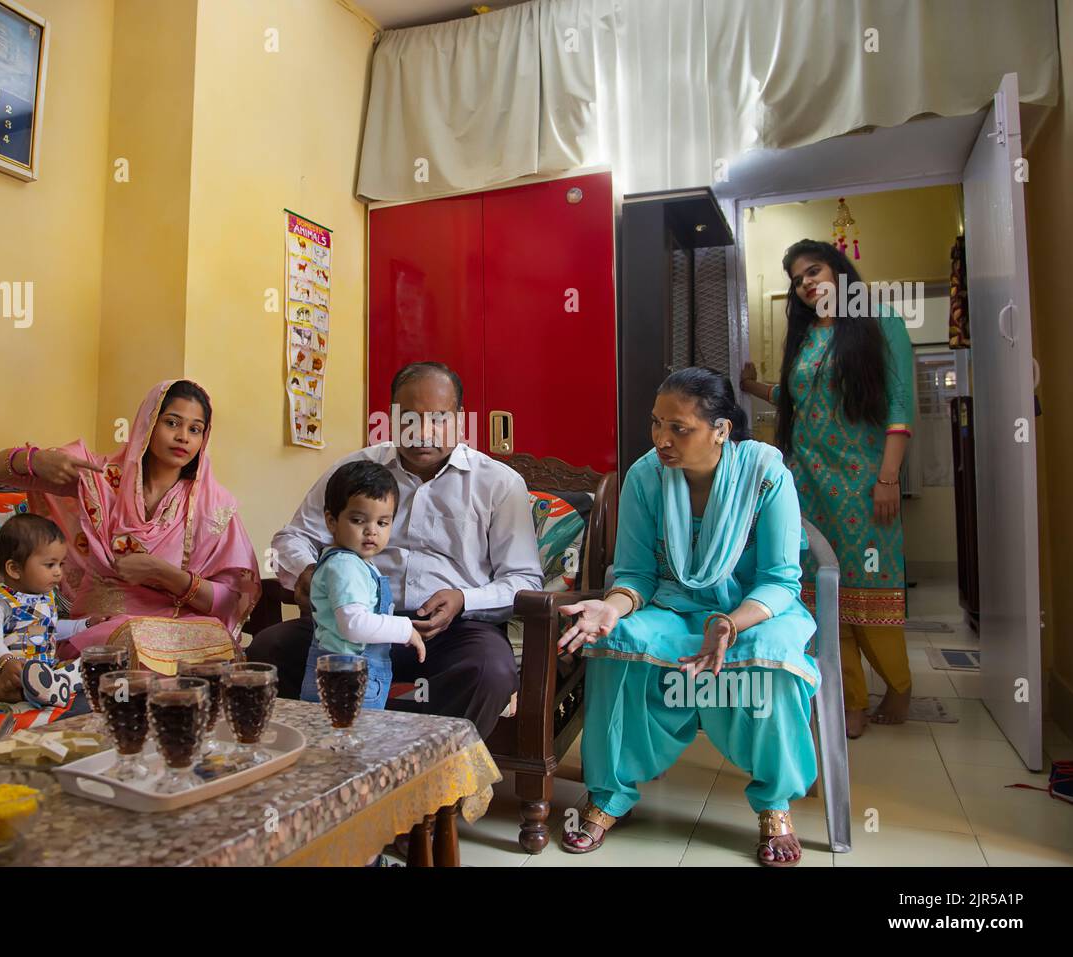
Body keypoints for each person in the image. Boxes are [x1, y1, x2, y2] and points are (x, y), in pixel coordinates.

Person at [558, 368, 818, 866]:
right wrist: (609, 608)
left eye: (680, 428)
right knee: (620, 643)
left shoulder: (765, 474)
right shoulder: (645, 476)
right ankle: (609, 795)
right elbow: (636, 575)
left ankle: (774, 803)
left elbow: (781, 580)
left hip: (754, 610)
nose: (662, 439)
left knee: (771, 660)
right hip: (673, 607)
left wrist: (731, 623)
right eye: (657, 424)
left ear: (721, 429)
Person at [251, 361, 543, 739]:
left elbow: (523, 579)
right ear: (390, 416)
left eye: (439, 419)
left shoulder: (497, 483)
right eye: (409, 418)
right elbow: (291, 538)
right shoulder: (356, 469)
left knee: (490, 669)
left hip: (451, 631)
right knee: (268, 648)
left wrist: (463, 599)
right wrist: (309, 571)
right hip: (353, 623)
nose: (424, 432)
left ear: (459, 419)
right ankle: (318, 764)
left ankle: (435, 783)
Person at [742, 239, 914, 739]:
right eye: (797, 279)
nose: (806, 283)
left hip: (865, 482)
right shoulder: (805, 338)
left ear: (839, 270)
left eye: (813, 271)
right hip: (809, 485)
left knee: (871, 585)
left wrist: (888, 478)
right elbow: (798, 399)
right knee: (824, 591)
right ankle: (849, 701)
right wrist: (753, 388)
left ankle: (898, 684)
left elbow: (900, 407)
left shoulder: (881, 324)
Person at [0, 379, 260, 663]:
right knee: (132, 639)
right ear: (147, 423)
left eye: (195, 429)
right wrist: (34, 460)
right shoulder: (99, 478)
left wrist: (165, 574)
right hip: (104, 626)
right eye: (172, 423)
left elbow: (230, 599)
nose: (183, 437)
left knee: (217, 643)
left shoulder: (213, 506)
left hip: (178, 625)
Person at [299, 460, 427, 710]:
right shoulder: (346, 566)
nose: (371, 531)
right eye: (358, 521)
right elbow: (354, 624)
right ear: (332, 521)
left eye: (382, 523)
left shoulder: (355, 562)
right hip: (347, 678)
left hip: (340, 673)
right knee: (350, 745)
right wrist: (405, 629)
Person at [0, 513, 106, 707]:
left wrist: (84, 625)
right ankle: (25, 689)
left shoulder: (47, 596)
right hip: (0, 667)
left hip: (39, 669)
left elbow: (50, 628)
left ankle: (53, 683)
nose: (58, 572)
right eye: (50, 564)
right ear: (14, 569)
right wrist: (4, 662)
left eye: (61, 564)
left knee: (85, 665)